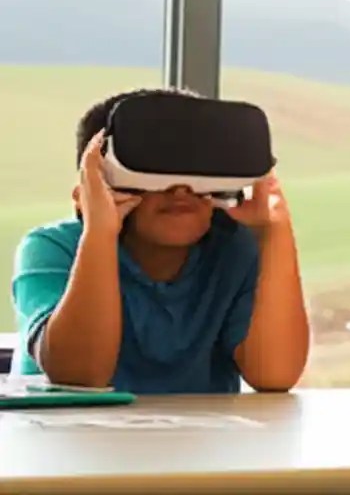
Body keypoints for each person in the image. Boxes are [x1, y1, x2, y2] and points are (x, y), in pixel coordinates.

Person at [10, 89, 310, 394]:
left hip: (194, 437)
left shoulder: (233, 249)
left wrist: (274, 230)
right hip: (63, 436)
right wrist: (99, 229)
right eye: (153, 169)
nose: (181, 189)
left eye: (197, 168)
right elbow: (80, 378)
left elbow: (275, 375)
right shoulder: (52, 249)